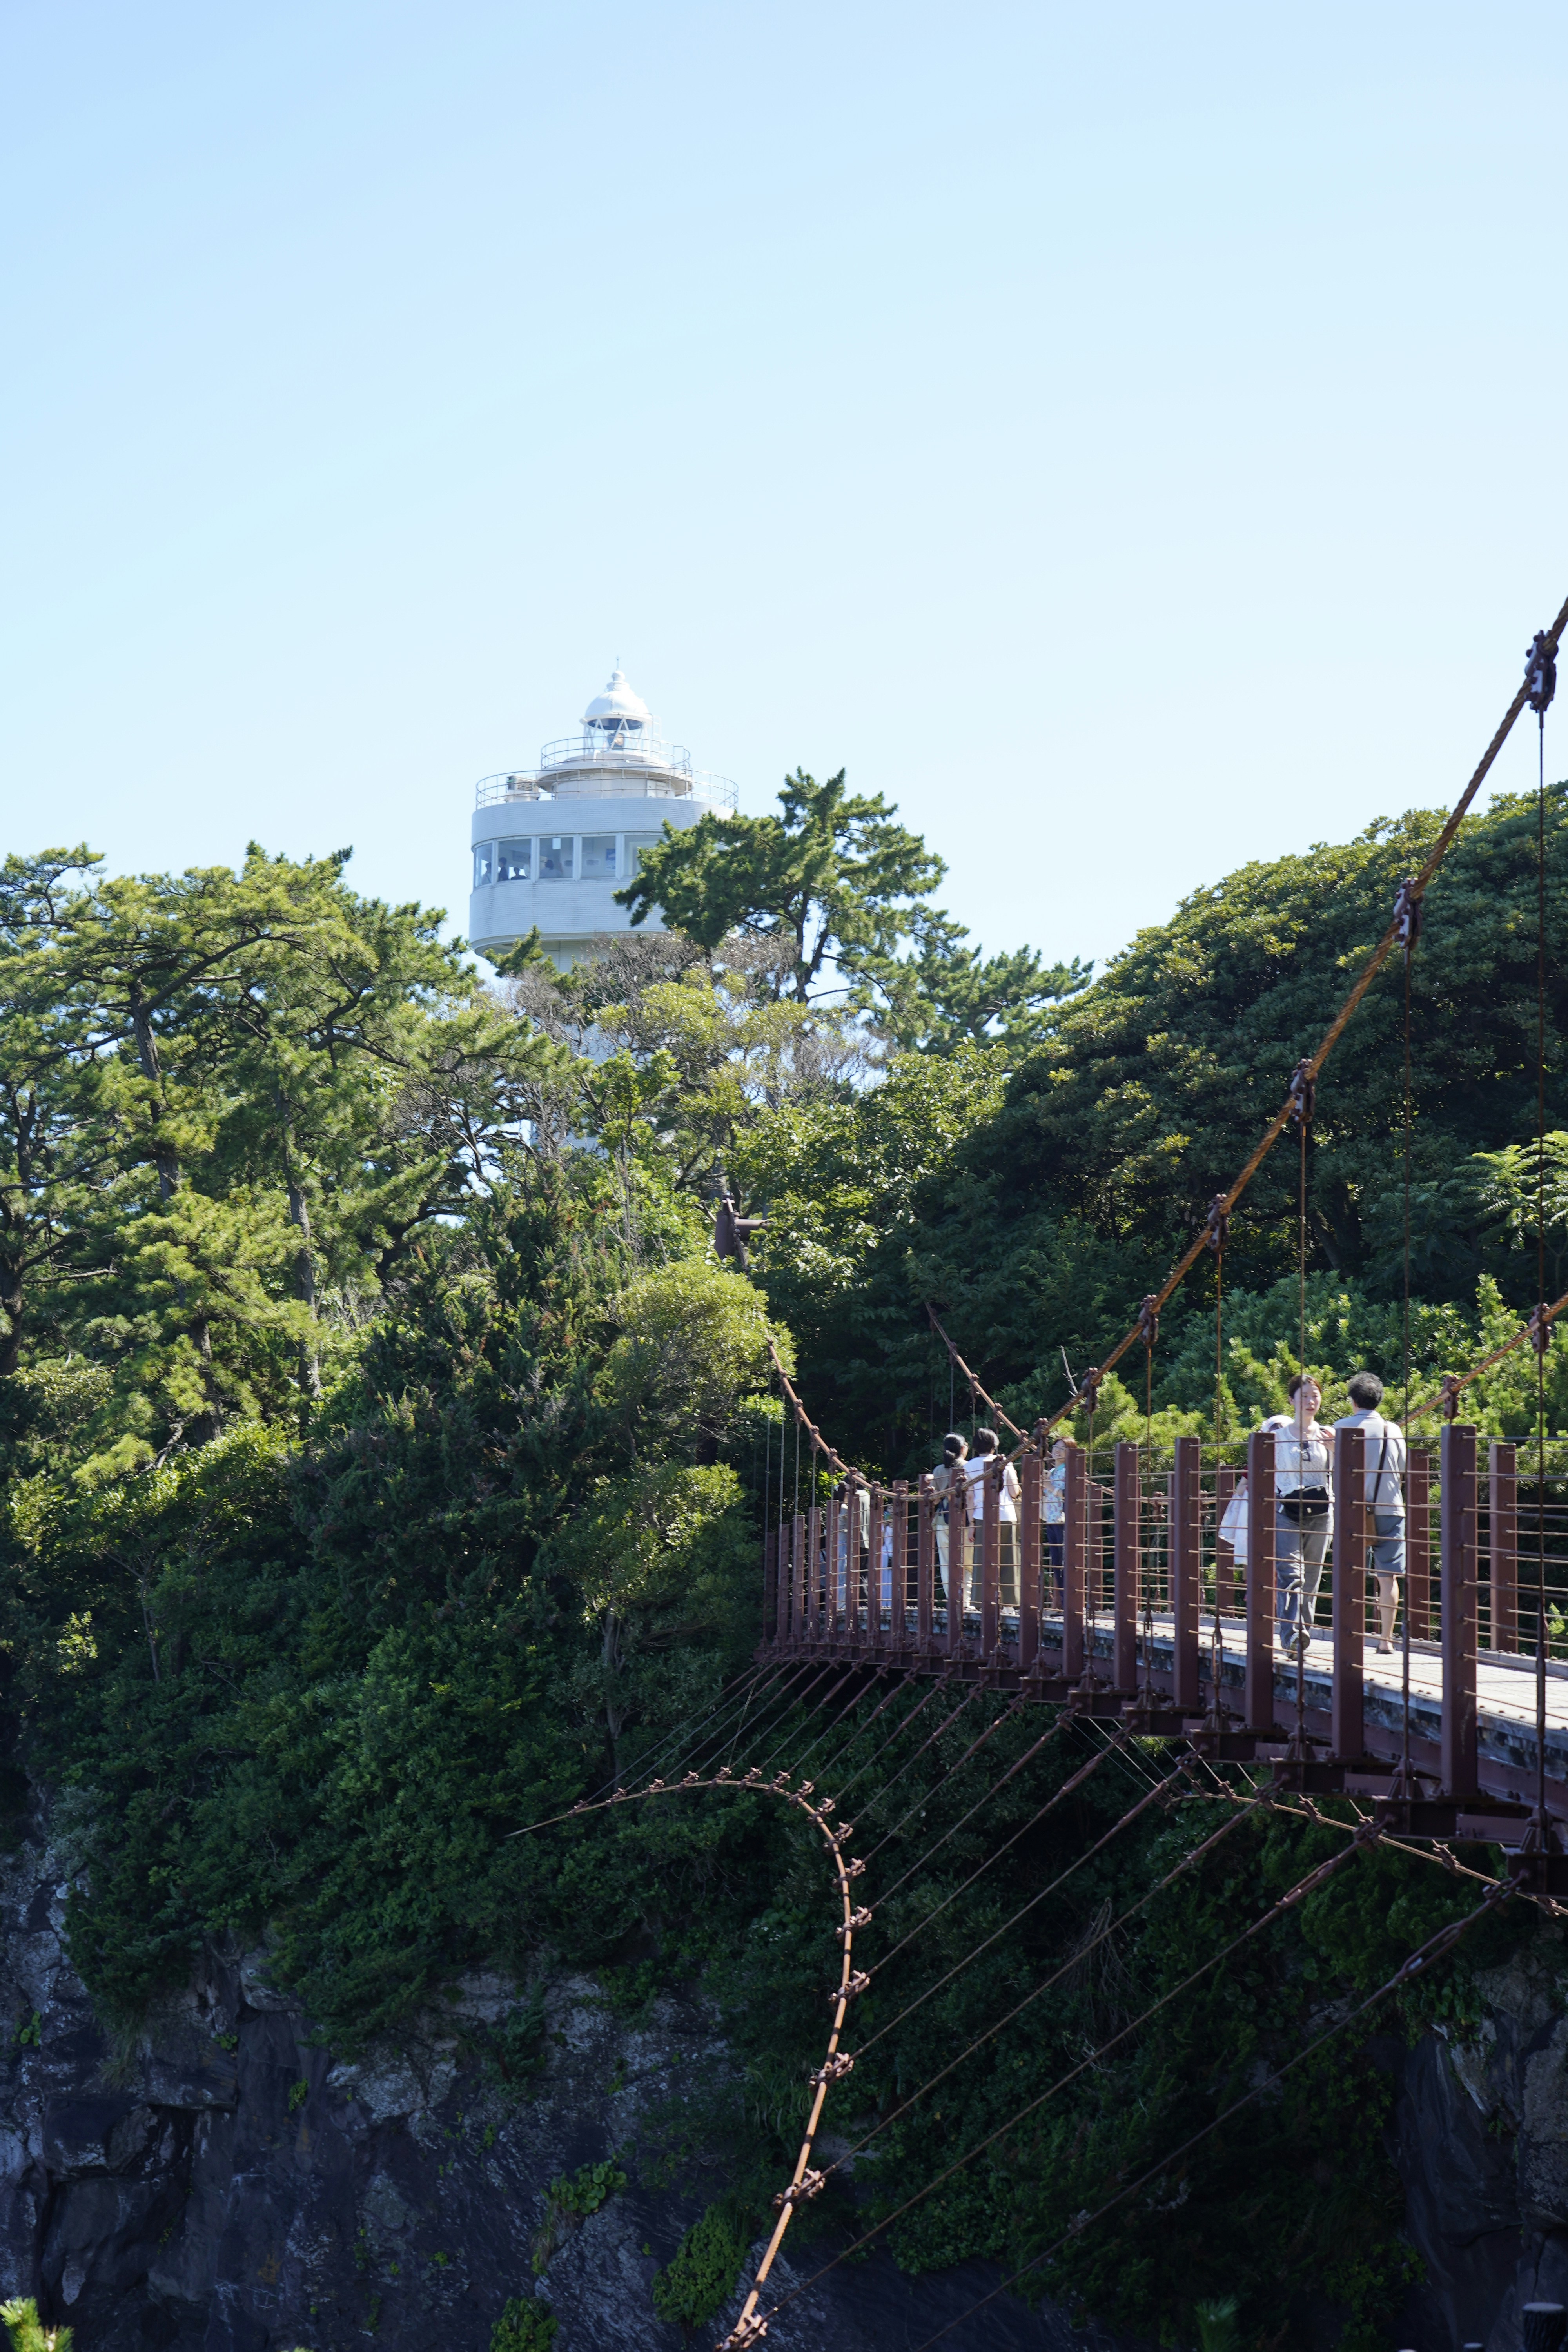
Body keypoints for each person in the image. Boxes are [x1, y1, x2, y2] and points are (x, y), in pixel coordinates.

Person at [1334, 1371, 1407, 1654]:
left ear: (1353, 1401)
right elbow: (1400, 1469)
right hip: (1390, 1508)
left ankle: (1349, 1635)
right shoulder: (1394, 1430)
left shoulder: (1341, 1428)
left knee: (1349, 1573)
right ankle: (1386, 1640)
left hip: (1353, 1511)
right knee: (1388, 1578)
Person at [1261, 1375, 1334, 1655]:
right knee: (1291, 1574)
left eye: (1315, 1395)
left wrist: (1336, 1450)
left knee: (1312, 1577)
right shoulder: (1277, 1438)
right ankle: (1292, 1636)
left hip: (1321, 1513)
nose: (1311, 1401)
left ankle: (1303, 1632)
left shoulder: (1328, 1435)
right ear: (1291, 1400)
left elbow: (1342, 1476)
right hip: (1287, 1512)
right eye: (1304, 1396)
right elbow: (1267, 1476)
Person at [964, 1428, 1022, 1610]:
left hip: (982, 1517)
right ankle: (1009, 1606)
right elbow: (1014, 1492)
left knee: (983, 1559)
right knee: (1009, 1559)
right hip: (1007, 1515)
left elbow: (970, 1498)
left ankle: (983, 1602)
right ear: (995, 1445)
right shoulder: (1006, 1463)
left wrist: (971, 1524)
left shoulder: (969, 1466)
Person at [930, 1433, 968, 1611]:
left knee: (946, 1562)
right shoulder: (970, 1468)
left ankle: (952, 1599)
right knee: (967, 1562)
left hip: (942, 1521)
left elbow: (935, 1500)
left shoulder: (938, 1470)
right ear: (963, 1449)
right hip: (965, 1521)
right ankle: (966, 1601)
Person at [1042, 1437, 1069, 1607]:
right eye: (1056, 1447)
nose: (1057, 1450)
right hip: (1051, 1520)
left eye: (1062, 1448)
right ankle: (1062, 1602)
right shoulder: (1052, 1472)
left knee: (1065, 1562)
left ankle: (1068, 1602)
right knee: (1056, 1562)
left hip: (1063, 1520)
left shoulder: (1069, 1471)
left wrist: (1049, 1486)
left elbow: (1069, 1494)